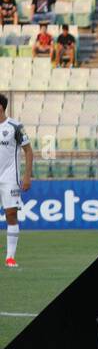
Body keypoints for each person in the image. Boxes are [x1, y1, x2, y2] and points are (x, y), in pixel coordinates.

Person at [0, 93, 33, 268]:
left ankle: (10, 257)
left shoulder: (15, 126)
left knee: (11, 215)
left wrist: (27, 176)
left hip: (9, 178)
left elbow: (28, 151)